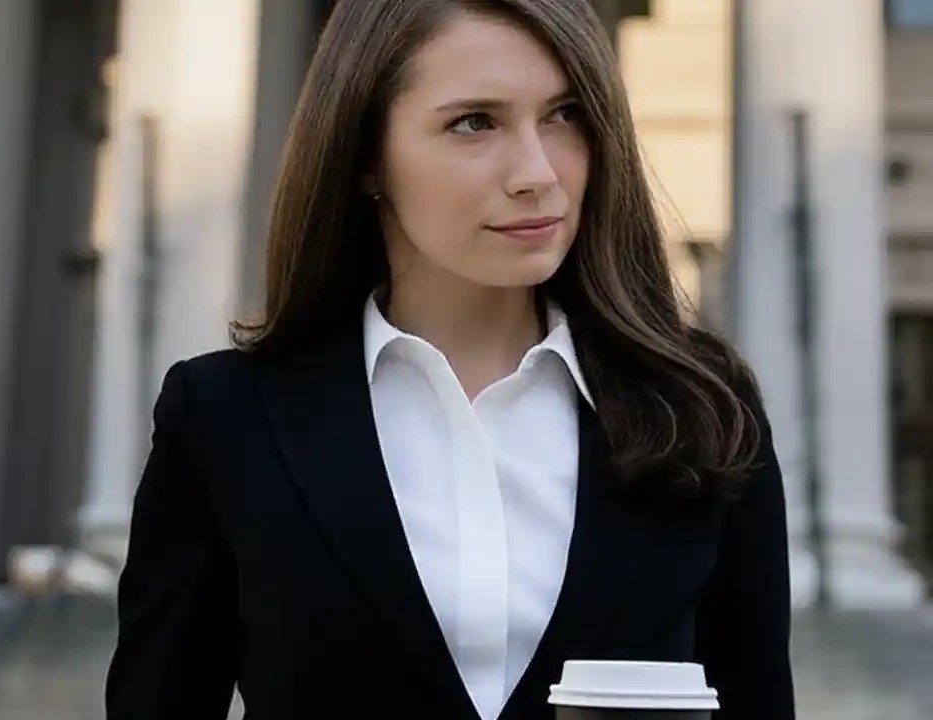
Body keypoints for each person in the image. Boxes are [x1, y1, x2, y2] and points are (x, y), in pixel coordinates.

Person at [105, 1, 795, 718]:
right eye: (475, 122)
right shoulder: (225, 417)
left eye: (564, 114)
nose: (537, 172)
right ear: (366, 154)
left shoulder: (702, 407)